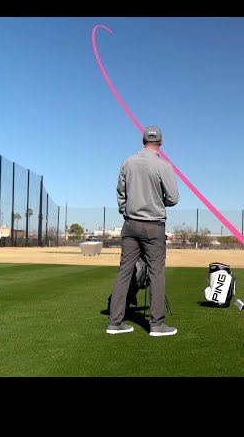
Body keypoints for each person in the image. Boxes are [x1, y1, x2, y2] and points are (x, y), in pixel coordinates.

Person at [106, 125, 180, 336]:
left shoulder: (127, 162)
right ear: (161, 142)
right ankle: (156, 325)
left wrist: (126, 209)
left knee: (124, 271)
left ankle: (115, 322)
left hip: (130, 224)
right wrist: (158, 201)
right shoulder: (164, 166)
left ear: (142, 141)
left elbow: (120, 193)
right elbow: (173, 198)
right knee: (156, 273)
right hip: (154, 225)